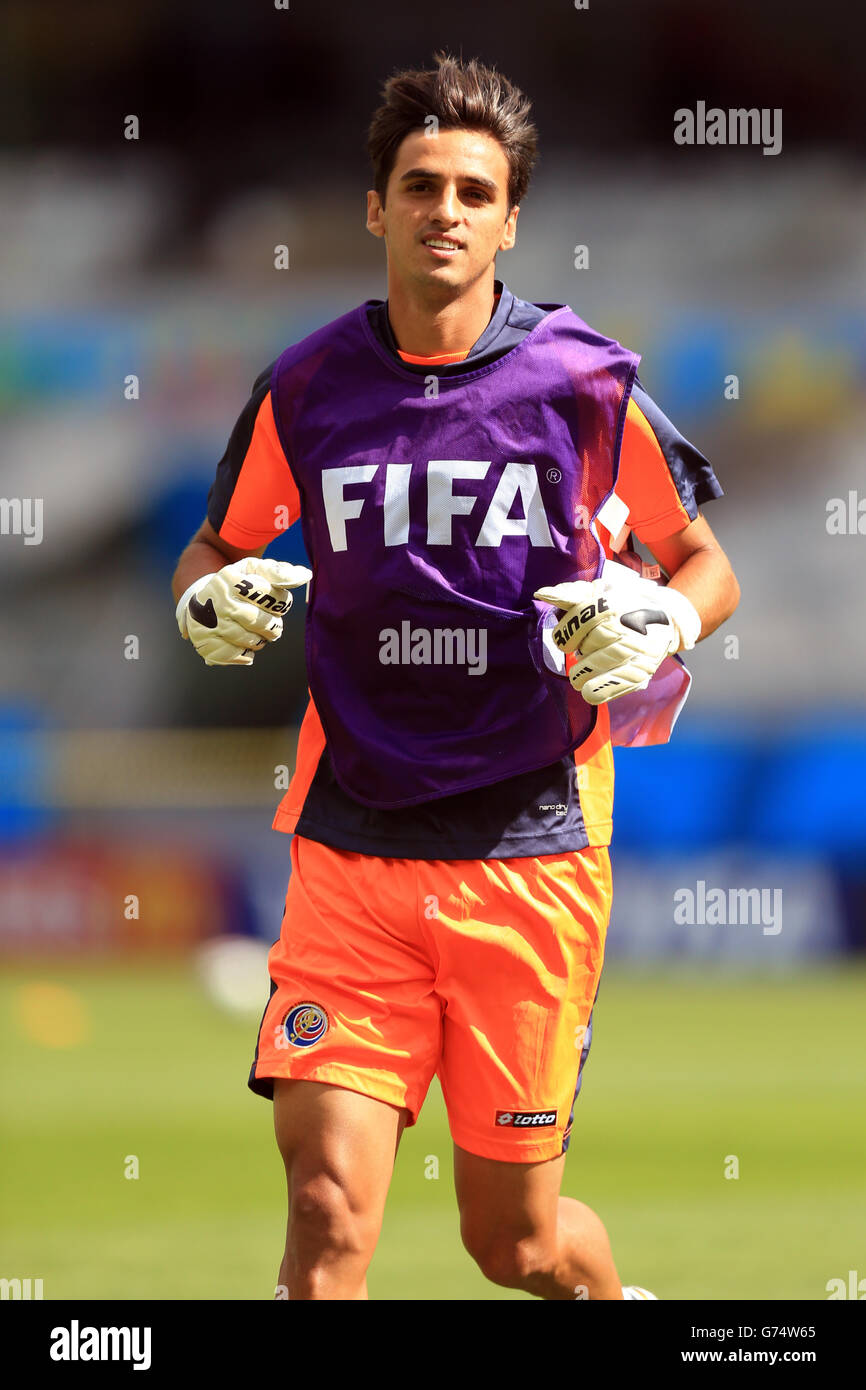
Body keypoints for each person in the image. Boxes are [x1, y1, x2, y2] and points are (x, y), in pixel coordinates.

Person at [171, 51, 739, 1301]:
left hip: (527, 851)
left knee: (513, 1248)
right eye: (419, 184)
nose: (445, 210)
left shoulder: (586, 384)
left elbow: (701, 561)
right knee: (326, 1217)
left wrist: (660, 617)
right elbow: (215, 547)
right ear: (375, 207)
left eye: (473, 192)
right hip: (349, 851)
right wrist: (204, 596)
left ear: (509, 219)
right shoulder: (306, 384)